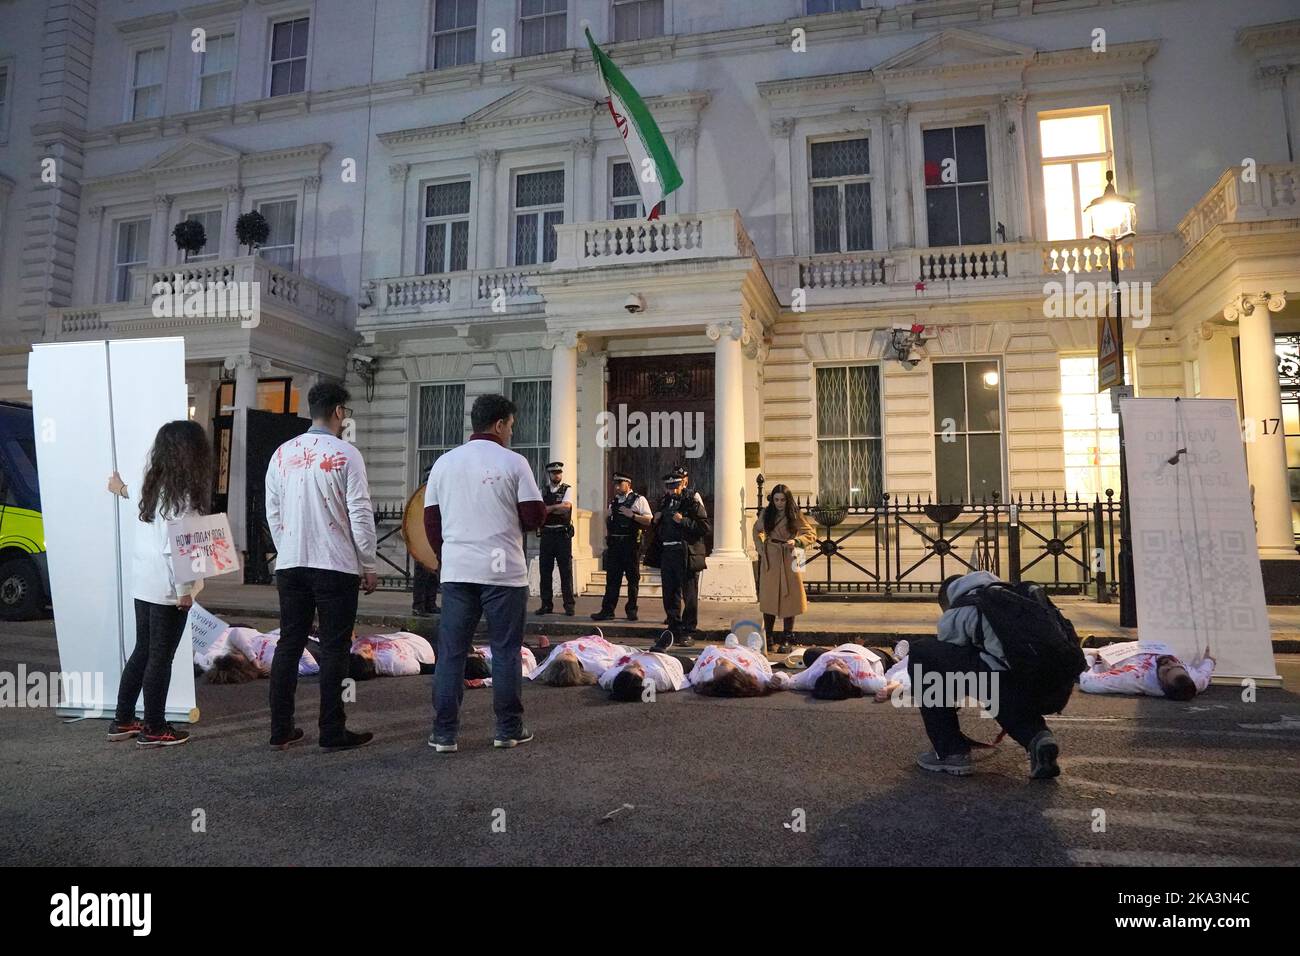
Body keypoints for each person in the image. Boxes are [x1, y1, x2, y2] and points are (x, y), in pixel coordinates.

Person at [424, 393, 546, 753]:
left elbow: (431, 519)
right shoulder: (514, 462)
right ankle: (508, 728)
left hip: (459, 569)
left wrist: (445, 555)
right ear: (499, 424)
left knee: (452, 652)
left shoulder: (444, 463)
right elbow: (535, 515)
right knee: (505, 650)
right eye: (510, 425)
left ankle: (444, 732)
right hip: (503, 572)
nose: (511, 431)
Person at [265, 382, 378, 752]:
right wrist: (368, 561)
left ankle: (281, 728)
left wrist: (286, 550)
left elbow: (274, 512)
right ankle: (332, 729)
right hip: (335, 564)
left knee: (289, 644)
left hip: (292, 562)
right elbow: (360, 512)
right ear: (339, 412)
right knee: (333, 648)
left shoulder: (281, 454)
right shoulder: (347, 454)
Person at [105, 420, 212, 747]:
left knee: (143, 650)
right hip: (168, 588)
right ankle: (154, 727)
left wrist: (117, 487)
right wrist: (185, 591)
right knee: (160, 658)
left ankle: (123, 719)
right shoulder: (184, 497)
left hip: (144, 583)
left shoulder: (151, 486)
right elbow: (178, 548)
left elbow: (127, 492)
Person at [909, 571, 1060, 780]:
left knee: (923, 653)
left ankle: (951, 752)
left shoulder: (961, 608)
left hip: (1005, 681)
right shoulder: (1013, 595)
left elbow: (945, 666)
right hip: (1052, 681)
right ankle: (1037, 737)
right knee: (995, 680)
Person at [648, 467, 710, 651]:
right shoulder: (664, 502)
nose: (672, 491)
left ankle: (689, 630)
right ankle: (673, 628)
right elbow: (657, 529)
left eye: (675, 486)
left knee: (689, 594)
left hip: (686, 553)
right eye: (669, 487)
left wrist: (683, 520)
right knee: (670, 592)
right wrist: (655, 519)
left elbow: (704, 527)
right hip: (668, 552)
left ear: (681, 485)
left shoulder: (691, 501)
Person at [752, 483, 817, 652]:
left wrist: (796, 541)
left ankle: (787, 637)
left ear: (788, 500)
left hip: (791, 556)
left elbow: (811, 534)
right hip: (771, 556)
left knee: (791, 596)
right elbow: (756, 530)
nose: (779, 503)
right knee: (769, 596)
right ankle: (769, 637)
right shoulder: (767, 514)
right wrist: (760, 547)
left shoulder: (795, 514)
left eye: (782, 500)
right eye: (776, 499)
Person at [592, 471, 651, 622]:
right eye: (615, 484)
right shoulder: (614, 502)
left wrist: (632, 515)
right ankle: (607, 610)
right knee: (612, 579)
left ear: (628, 484)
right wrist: (607, 515)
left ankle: (631, 610)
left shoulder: (639, 499)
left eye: (620, 484)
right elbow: (609, 522)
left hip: (630, 545)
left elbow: (649, 520)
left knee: (632, 579)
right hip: (615, 545)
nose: (617, 487)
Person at [1079, 642, 1215, 699]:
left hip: (1106, 652)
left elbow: (1087, 683)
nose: (1170, 663)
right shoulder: (1195, 681)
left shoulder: (1136, 678)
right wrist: (1208, 660)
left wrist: (1091, 657)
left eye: (1166, 670)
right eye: (1178, 666)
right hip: (1139, 645)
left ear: (1161, 684)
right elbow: (1204, 673)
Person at [535, 461, 576, 616]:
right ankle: (546, 604)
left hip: (562, 535)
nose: (556, 475)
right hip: (546, 534)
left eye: (558, 472)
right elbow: (539, 510)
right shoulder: (542, 490)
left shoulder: (567, 489)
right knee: (545, 571)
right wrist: (555, 509)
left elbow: (566, 507)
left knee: (566, 571)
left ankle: (569, 605)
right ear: (549, 474)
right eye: (554, 473)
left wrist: (549, 509)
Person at [788, 643, 890, 699]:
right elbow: (898, 683)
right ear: (849, 677)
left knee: (810, 654)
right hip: (869, 655)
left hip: (839, 650)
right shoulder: (866, 680)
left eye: (830, 664)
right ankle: (897, 656)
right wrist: (887, 690)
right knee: (888, 661)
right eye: (841, 665)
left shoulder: (812, 677)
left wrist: (777, 679)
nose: (837, 661)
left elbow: (787, 679)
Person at [687, 640, 787, 697]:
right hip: (745, 656)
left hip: (723, 651)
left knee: (730, 641)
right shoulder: (753, 674)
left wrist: (705, 655)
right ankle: (754, 648)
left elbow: (693, 674)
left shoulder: (703, 679)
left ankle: (732, 643)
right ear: (737, 673)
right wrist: (780, 679)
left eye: (716, 667)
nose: (717, 661)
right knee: (751, 648)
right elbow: (789, 679)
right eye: (722, 665)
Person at [529, 633, 634, 686]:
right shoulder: (598, 665)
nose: (566, 650)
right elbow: (620, 664)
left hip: (588, 641)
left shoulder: (555, 659)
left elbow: (533, 674)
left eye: (562, 653)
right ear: (576, 667)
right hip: (619, 650)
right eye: (569, 654)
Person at [601, 651, 688, 701]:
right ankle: (660, 650)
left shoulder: (609, 678)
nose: (633, 663)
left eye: (627, 667)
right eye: (634, 666)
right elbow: (681, 681)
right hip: (670, 662)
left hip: (643, 653)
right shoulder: (660, 677)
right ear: (642, 673)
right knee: (687, 663)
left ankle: (659, 649)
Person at [349, 631, 437, 679]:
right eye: (367, 652)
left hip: (408, 636)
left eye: (361, 650)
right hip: (427, 648)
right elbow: (424, 668)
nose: (367, 648)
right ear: (371, 662)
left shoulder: (354, 649)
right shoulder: (393, 663)